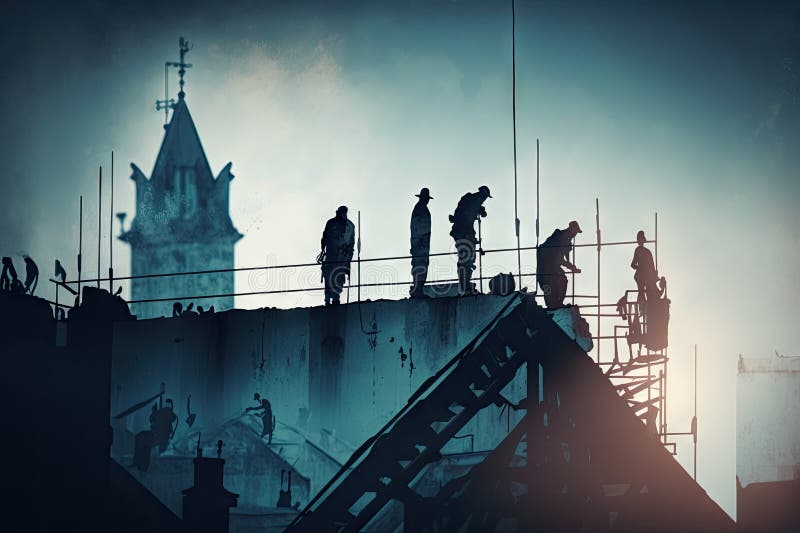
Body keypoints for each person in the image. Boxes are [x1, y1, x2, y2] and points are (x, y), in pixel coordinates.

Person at [449, 186, 492, 295]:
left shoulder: (471, 200)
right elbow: (465, 218)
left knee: (468, 259)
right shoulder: (473, 201)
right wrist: (469, 236)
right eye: (485, 197)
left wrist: (480, 209)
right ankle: (465, 287)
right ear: (482, 194)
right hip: (463, 233)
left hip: (463, 233)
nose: (484, 200)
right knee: (466, 259)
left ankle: (465, 285)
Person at [537, 221, 582, 309]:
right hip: (546, 266)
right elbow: (559, 259)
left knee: (560, 281)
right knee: (552, 282)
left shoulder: (565, 240)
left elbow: (564, 258)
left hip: (550, 267)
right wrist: (571, 267)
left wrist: (572, 267)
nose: (575, 235)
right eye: (575, 232)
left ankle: (556, 304)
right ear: (571, 229)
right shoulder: (559, 236)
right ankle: (554, 305)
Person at [318, 206, 355, 306]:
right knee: (331, 275)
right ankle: (329, 299)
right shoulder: (333, 223)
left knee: (337, 276)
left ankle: (334, 299)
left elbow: (351, 244)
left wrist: (348, 259)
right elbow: (325, 237)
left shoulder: (350, 226)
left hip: (341, 258)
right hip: (334, 257)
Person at [410, 188, 433, 298]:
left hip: (422, 243)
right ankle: (417, 289)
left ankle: (419, 288)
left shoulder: (422, 209)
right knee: (419, 265)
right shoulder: (419, 209)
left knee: (422, 264)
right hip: (419, 243)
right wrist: (419, 242)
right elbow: (415, 227)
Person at [630, 230, 659, 306]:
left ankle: (646, 307)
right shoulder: (638, 250)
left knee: (648, 290)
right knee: (641, 291)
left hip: (647, 275)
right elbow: (632, 265)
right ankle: (641, 308)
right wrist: (640, 268)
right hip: (640, 276)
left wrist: (654, 274)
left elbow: (652, 266)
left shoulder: (647, 252)